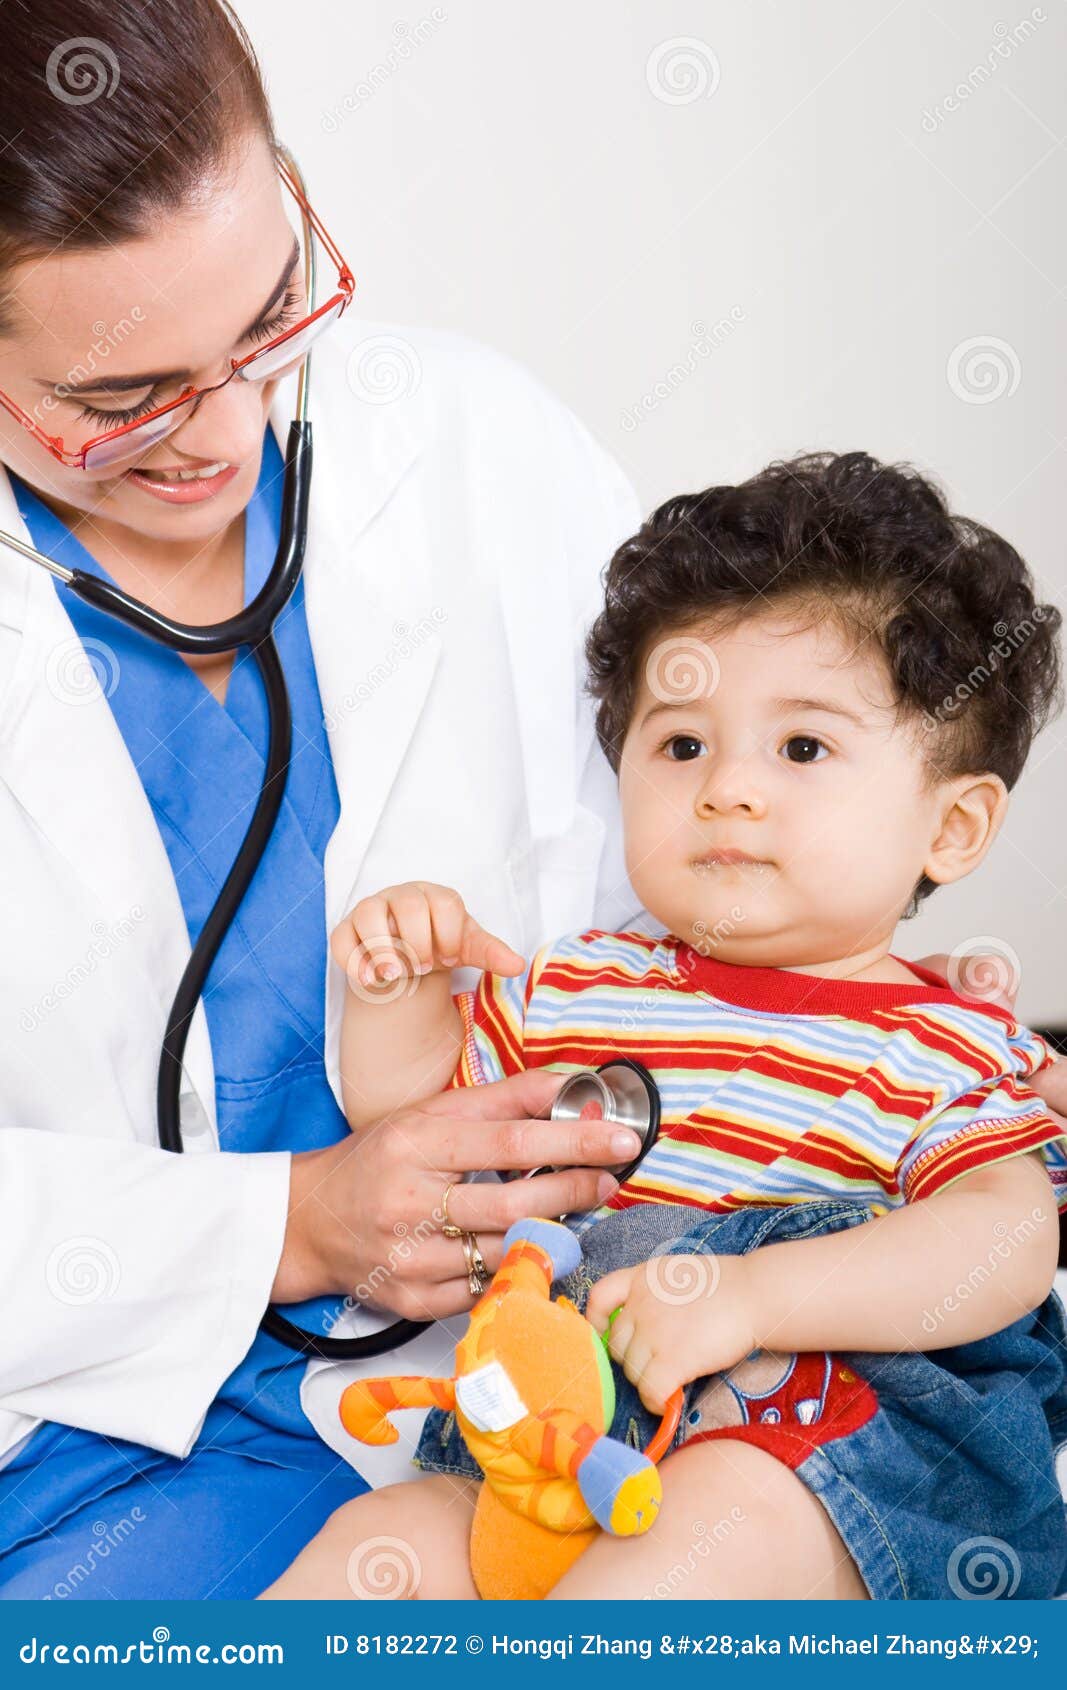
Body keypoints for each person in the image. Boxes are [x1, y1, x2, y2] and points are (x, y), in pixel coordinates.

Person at [0, 0, 656, 1599]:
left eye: (272, 314)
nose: (228, 432)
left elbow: (686, 868)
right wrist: (291, 1222)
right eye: (127, 396)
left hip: (531, 1362)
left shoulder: (483, 445)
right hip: (83, 1427)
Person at [264, 453, 1067, 1601]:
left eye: (800, 748)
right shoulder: (575, 987)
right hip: (562, 1443)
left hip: (829, 1454)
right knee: (373, 1550)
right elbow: (410, 1114)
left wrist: (750, 1296)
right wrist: (397, 977)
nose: (724, 787)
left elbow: (1002, 1242)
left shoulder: (946, 1042)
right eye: (680, 744)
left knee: (692, 1539)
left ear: (949, 827)